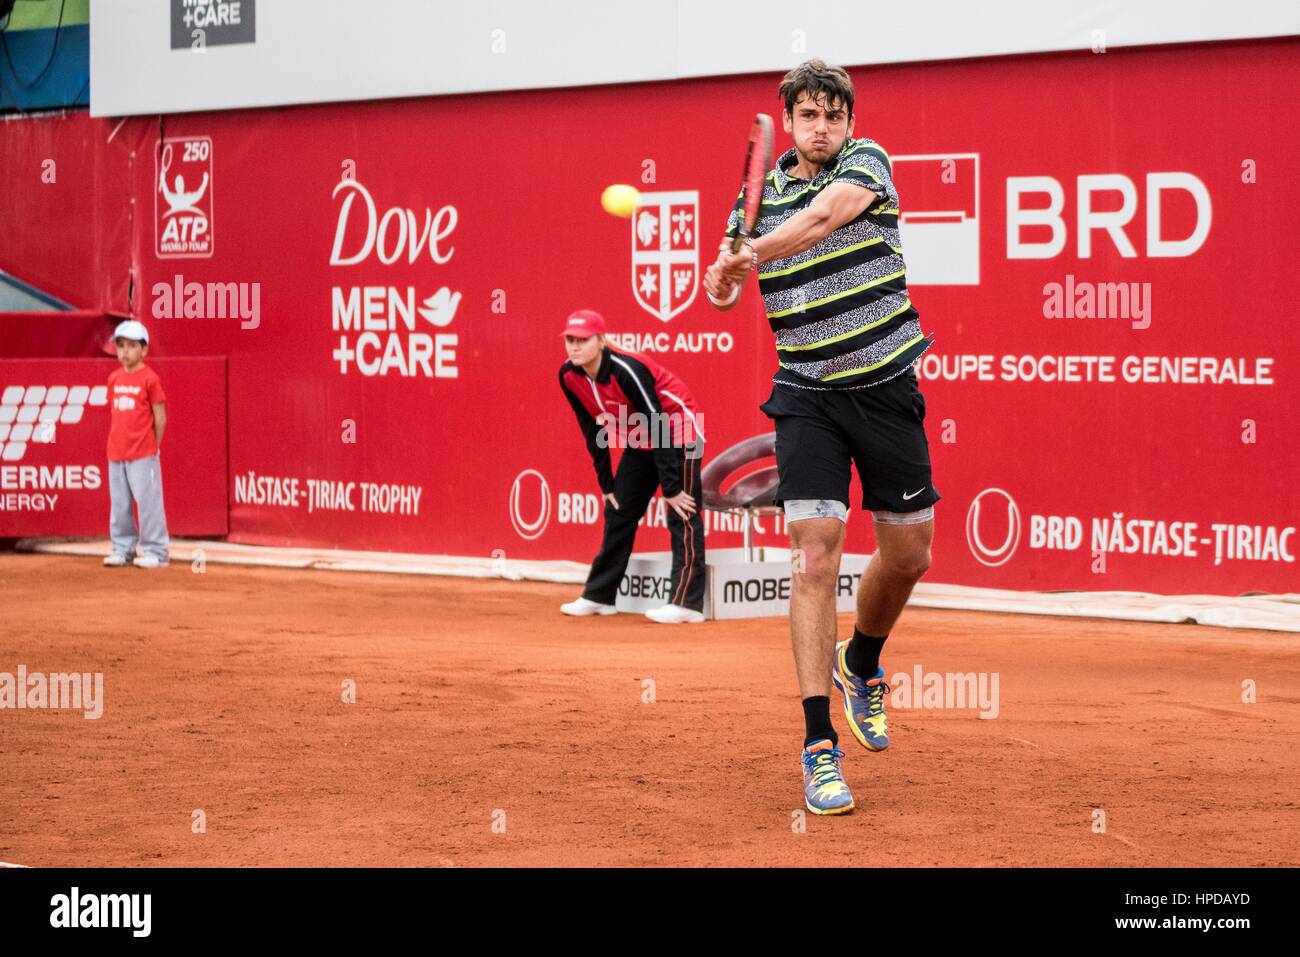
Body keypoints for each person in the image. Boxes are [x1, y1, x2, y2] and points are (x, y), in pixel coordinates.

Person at [704, 60, 940, 814]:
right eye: (807, 115)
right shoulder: (757, 196)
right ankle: (818, 746)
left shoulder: (868, 164)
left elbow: (824, 219)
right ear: (791, 120)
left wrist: (754, 252)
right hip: (806, 394)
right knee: (813, 554)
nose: (820, 127)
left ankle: (860, 659)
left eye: (832, 116)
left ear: (848, 123)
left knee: (909, 553)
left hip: (885, 386)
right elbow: (725, 292)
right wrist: (723, 277)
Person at [557, 309, 707, 624]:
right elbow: (592, 429)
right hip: (641, 436)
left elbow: (659, 421)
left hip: (678, 430)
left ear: (600, 341)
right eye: (570, 339)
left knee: (682, 510)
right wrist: (607, 485)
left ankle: (687, 603)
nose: (575, 346)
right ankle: (599, 596)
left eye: (582, 340)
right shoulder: (569, 376)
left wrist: (671, 489)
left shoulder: (627, 369)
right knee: (619, 510)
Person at [103, 319, 171, 569]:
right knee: (119, 505)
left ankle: (156, 552)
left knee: (149, 504)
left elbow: (160, 417)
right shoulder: (113, 379)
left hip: (144, 453)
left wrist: (153, 447)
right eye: (120, 346)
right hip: (116, 452)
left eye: (131, 346)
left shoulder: (150, 379)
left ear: (144, 350)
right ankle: (123, 550)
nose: (125, 351)